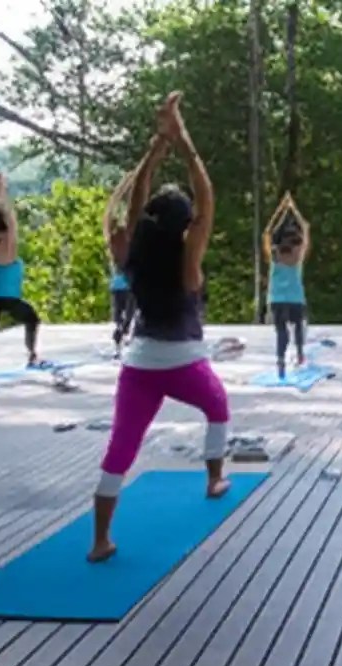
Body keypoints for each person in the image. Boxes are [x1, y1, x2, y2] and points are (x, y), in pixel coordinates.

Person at [89, 91, 230, 563]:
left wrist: (155, 147)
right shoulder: (188, 258)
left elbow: (138, 197)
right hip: (186, 363)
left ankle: (100, 540)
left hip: (139, 362)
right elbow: (207, 196)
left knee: (120, 449)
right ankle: (214, 478)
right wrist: (182, 140)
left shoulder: (133, 252)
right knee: (217, 407)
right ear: (186, 225)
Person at [0, 171, 45, 381]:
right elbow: (10, 219)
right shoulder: (7, 245)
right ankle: (31, 355)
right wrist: (2, 191)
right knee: (31, 319)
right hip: (5, 298)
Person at [264, 192, 311, 377]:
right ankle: (299, 353)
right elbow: (305, 228)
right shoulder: (297, 257)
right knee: (298, 326)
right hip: (295, 299)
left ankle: (281, 360)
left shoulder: (275, 257)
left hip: (276, 299)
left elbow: (267, 232)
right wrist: (293, 209)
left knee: (281, 331)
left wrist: (281, 210)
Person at [105, 171, 138, 359]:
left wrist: (123, 187)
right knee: (129, 318)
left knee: (121, 319)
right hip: (130, 285)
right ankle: (124, 344)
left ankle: (119, 347)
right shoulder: (128, 240)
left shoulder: (113, 241)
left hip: (119, 285)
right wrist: (128, 185)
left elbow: (110, 211)